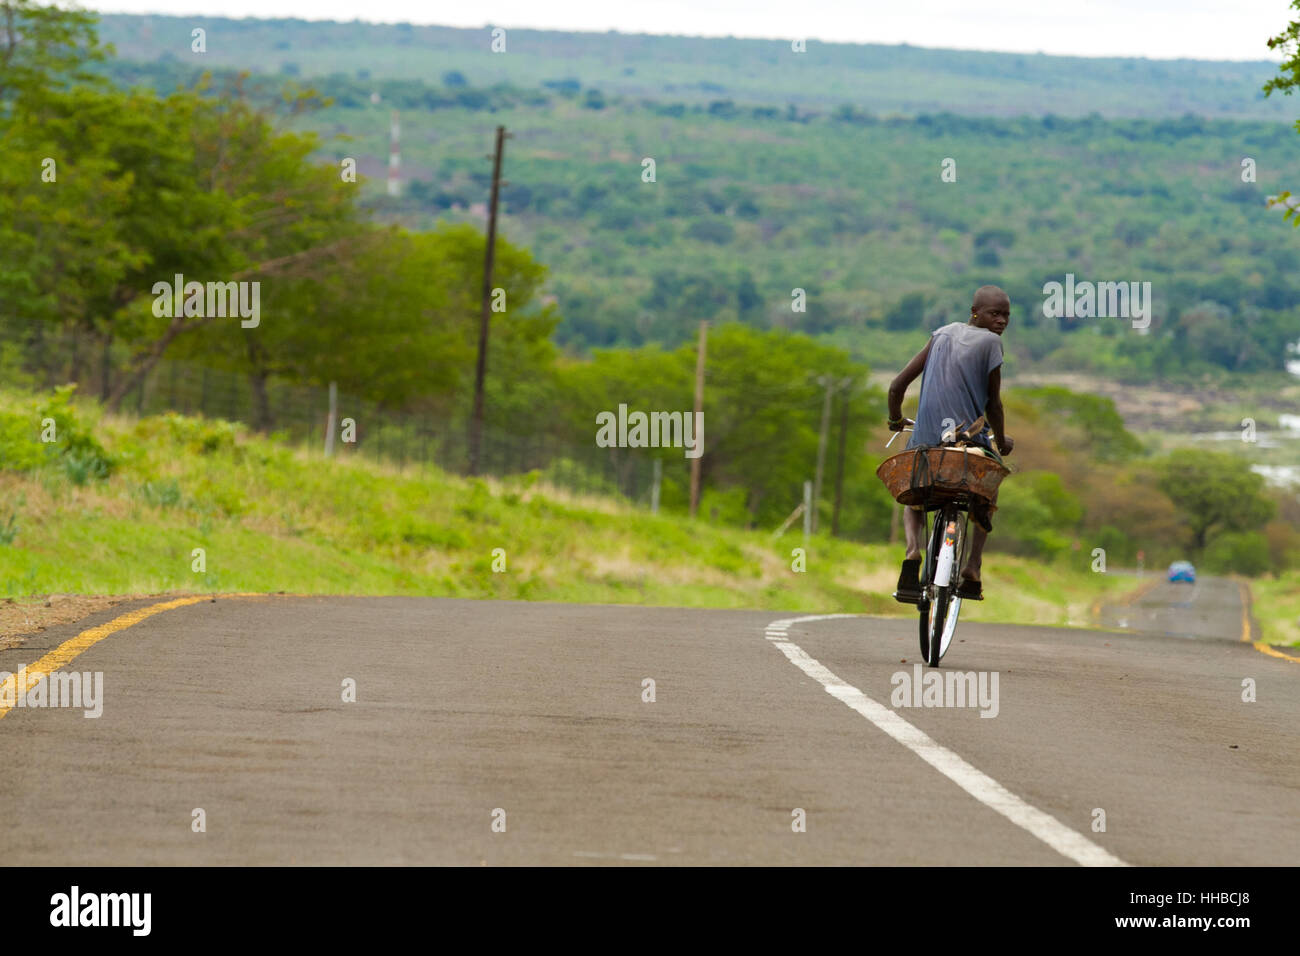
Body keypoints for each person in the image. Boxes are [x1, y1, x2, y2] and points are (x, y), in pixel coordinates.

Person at [885, 285, 1015, 603]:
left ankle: (913, 552)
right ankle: (972, 568)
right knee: (989, 487)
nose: (1001, 321)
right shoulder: (991, 343)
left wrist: (895, 420)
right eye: (994, 314)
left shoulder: (940, 334)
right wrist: (1000, 440)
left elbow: (896, 385)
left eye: (1006, 315)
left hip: (927, 439)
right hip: (968, 441)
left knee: (914, 495)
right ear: (975, 312)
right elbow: (994, 405)